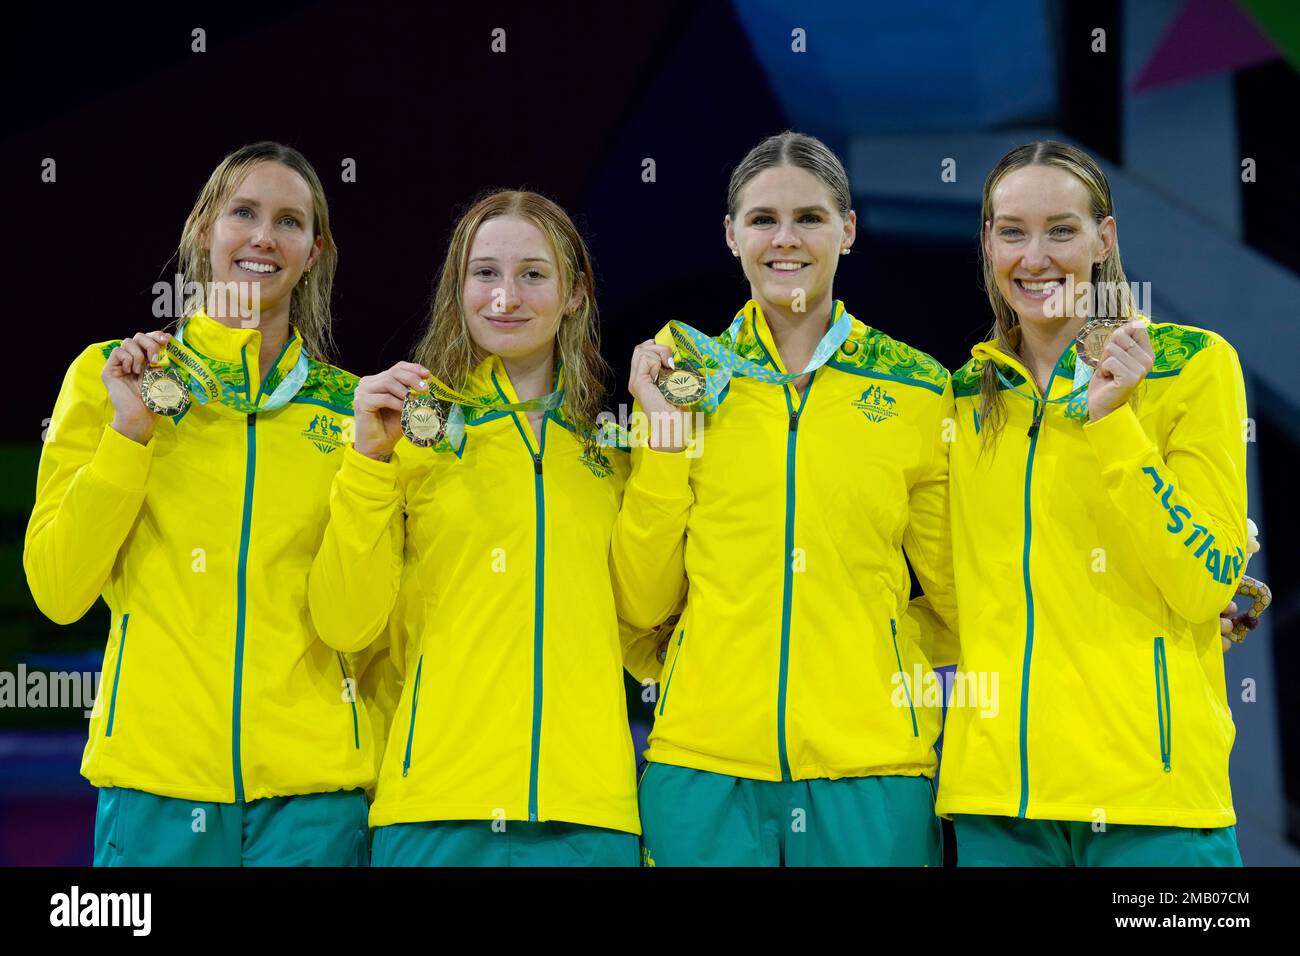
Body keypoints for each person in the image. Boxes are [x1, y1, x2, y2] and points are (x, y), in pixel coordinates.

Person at [613, 131, 959, 866]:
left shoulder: (918, 387)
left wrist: (878, 651)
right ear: (731, 233)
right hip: (702, 768)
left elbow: (964, 596)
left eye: (810, 217)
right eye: (764, 219)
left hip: (872, 768)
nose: (786, 239)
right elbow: (641, 602)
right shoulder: (683, 372)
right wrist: (666, 439)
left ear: (849, 230)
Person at [24, 142, 373, 865]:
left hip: (315, 800)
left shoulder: (355, 412)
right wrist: (129, 434)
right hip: (155, 785)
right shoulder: (110, 377)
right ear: (203, 231)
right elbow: (58, 590)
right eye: (243, 213)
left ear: (314, 252)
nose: (263, 237)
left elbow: (370, 618)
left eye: (290, 222)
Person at [935, 141, 1247, 866]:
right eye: (1012, 231)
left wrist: (1114, 424)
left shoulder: (1194, 367)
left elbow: (1204, 582)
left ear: (1105, 238)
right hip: (999, 808)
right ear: (987, 243)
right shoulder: (956, 400)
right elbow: (946, 590)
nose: (1035, 256)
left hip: (1155, 803)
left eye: (1062, 230)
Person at [308, 190, 642, 866]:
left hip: (589, 815)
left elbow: (645, 626)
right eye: (484, 272)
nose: (505, 295)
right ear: (458, 290)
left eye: (533, 274)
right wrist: (368, 463)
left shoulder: (612, 455)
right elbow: (344, 623)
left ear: (575, 293)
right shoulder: (405, 440)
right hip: (435, 809)